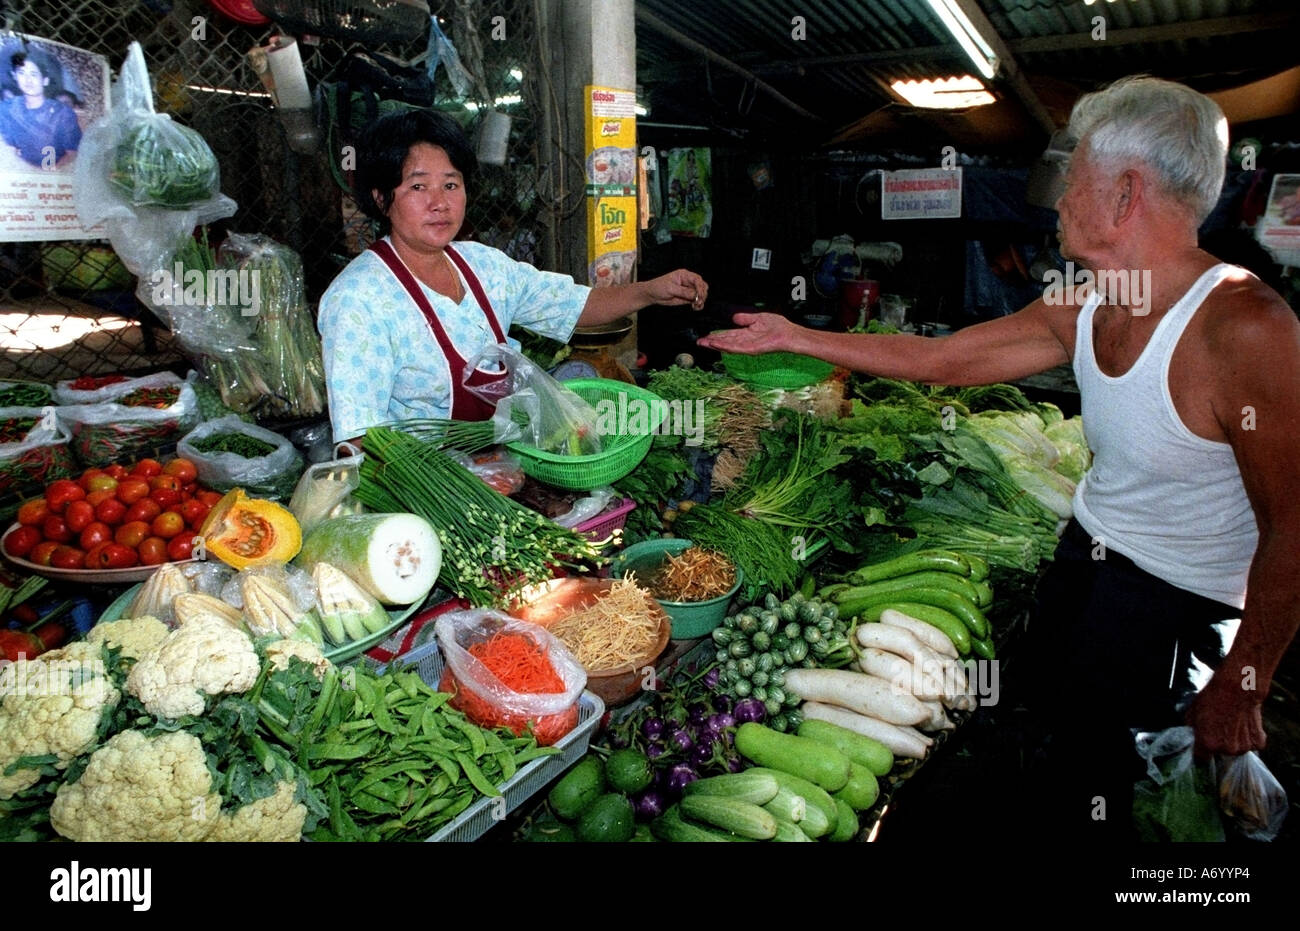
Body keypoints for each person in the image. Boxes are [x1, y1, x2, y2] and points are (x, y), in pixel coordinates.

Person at [699, 76, 1300, 839]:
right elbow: (944, 360)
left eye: (1075, 176)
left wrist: (1247, 683)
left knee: (1138, 809)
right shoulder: (1082, 301)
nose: (1056, 199)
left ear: (1125, 195)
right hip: (1083, 564)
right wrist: (798, 337)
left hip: (1176, 614)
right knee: (1054, 760)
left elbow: (1294, 525)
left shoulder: (1246, 327)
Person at [319, 109, 708, 445]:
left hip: (505, 463)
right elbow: (359, 438)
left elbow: (572, 305)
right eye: (418, 186)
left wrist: (651, 291)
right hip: (421, 488)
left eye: (451, 184)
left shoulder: (483, 266)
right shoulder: (359, 297)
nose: (440, 203)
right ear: (382, 198)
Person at [0, 50, 81, 168]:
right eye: (21, 73)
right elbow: (8, 149)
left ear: (45, 80)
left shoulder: (62, 113)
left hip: (53, 176)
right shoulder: (7, 108)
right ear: (15, 76)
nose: (28, 80)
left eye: (33, 74)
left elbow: (73, 154)